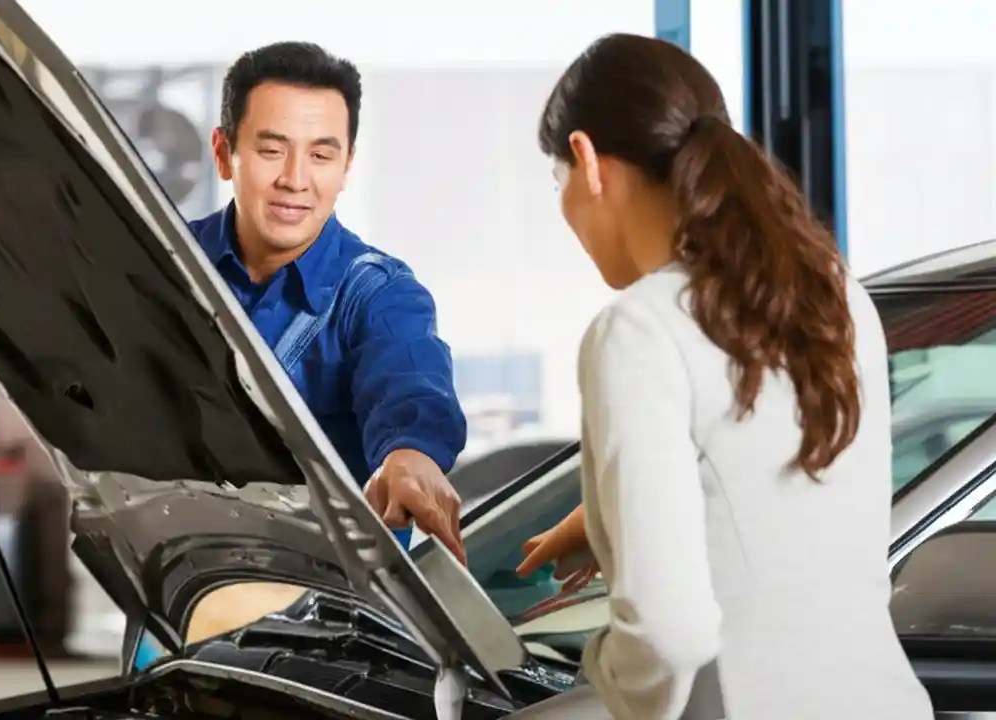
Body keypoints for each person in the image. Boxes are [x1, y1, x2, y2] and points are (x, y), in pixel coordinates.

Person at [509, 34, 933, 720]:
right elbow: (786, 486)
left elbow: (670, 635)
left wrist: (605, 675)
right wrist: (615, 515)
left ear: (586, 161)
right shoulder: (835, 295)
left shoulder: (638, 330)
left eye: (558, 182)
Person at [134, 41, 469, 667]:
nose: (296, 178)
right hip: (179, 604)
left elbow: (411, 379)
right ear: (224, 153)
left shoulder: (377, 292)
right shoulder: (160, 268)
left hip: (325, 636)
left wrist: (410, 454)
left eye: (322, 154)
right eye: (271, 148)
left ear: (346, 167)